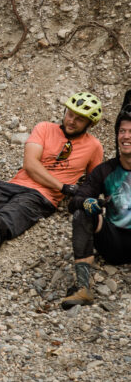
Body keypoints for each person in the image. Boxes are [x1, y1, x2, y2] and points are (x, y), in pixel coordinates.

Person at [0, 92, 105, 285]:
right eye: (70, 114)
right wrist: (64, 187)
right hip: (14, 184)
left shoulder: (94, 147)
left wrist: (85, 198)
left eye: (79, 119)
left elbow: (93, 181)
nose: (71, 121)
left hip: (42, 196)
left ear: (90, 124)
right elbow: (30, 164)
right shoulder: (44, 128)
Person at [61, 90, 131, 308]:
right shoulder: (105, 170)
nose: (126, 136)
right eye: (122, 131)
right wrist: (86, 202)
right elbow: (75, 200)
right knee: (83, 214)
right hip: (113, 242)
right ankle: (83, 287)